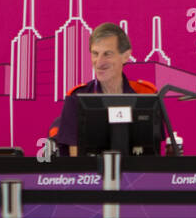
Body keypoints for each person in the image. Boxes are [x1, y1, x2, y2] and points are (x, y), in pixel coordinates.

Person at [52, 23, 157, 156]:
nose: (99, 62)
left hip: (139, 175)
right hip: (90, 175)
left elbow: (154, 152)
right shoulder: (76, 98)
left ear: (126, 56)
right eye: (95, 53)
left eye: (107, 54)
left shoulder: (146, 94)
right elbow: (76, 162)